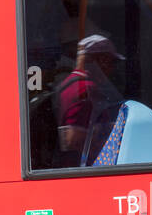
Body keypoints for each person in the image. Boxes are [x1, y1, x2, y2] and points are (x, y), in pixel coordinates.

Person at [53, 33, 124, 167]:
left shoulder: (68, 83)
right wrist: (112, 131)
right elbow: (71, 138)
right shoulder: (85, 88)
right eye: (111, 62)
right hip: (84, 167)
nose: (112, 69)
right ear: (100, 60)